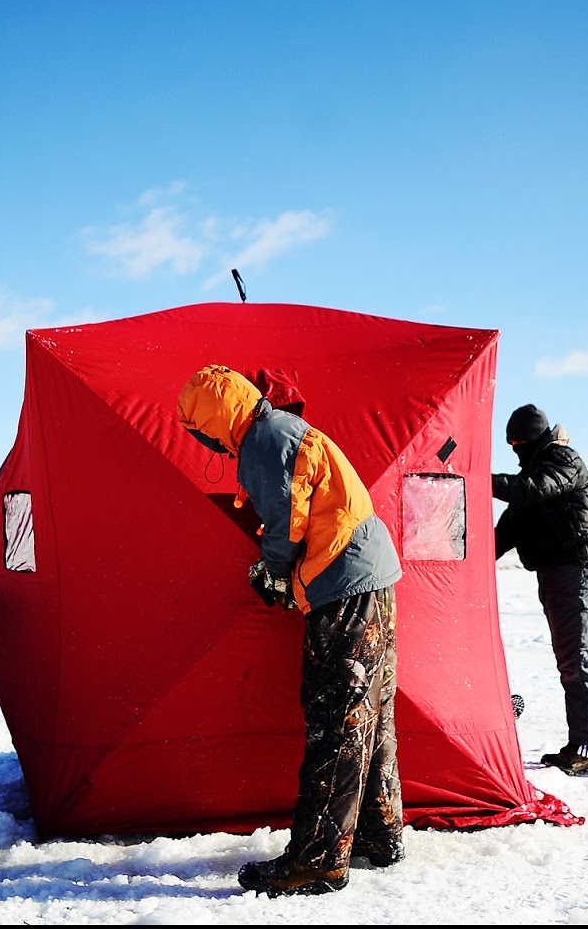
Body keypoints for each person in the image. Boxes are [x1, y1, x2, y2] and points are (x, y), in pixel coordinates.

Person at [176, 364, 404, 898]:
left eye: (199, 429)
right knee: (370, 712)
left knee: (336, 717)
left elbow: (286, 517)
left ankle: (318, 860)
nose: (205, 442)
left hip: (344, 584)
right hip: (371, 578)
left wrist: (271, 570)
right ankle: (378, 832)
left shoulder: (263, 438)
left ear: (215, 417)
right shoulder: (280, 430)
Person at [492, 404, 588, 776]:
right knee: (579, 655)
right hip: (556, 571)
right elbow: (505, 531)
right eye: (510, 442)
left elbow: (535, 491)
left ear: (535, 438)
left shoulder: (561, 459)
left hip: (576, 569)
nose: (516, 448)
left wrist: (477, 479)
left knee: (574, 657)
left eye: (520, 441)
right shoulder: (531, 472)